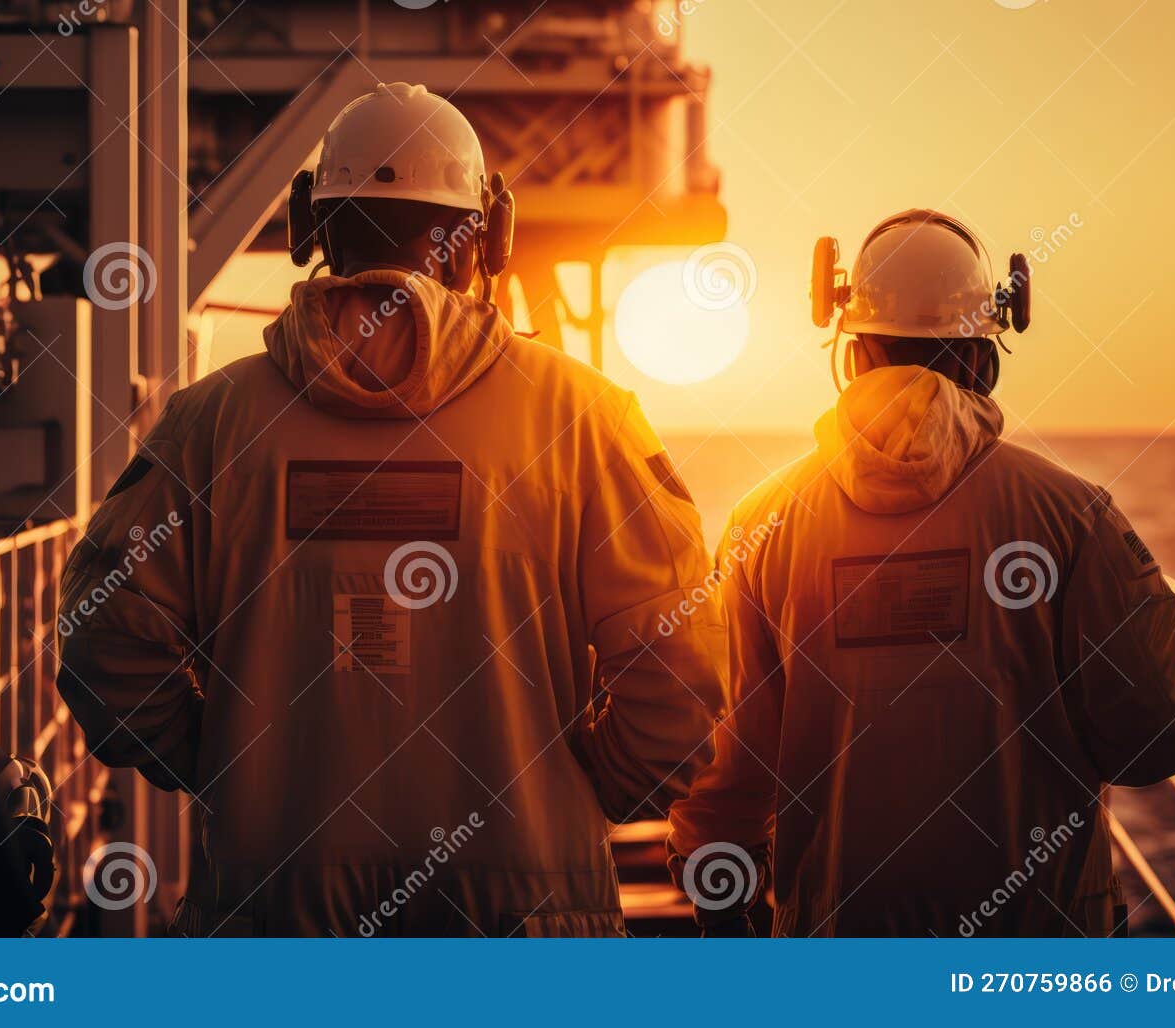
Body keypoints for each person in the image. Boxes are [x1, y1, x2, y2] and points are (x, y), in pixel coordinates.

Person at [57, 82, 725, 936]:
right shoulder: (584, 419)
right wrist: (581, 786)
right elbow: (680, 675)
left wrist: (225, 762)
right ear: (486, 238)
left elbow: (103, 642)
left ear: (311, 226)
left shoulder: (210, 424)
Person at [667, 209, 1175, 937]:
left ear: (852, 356)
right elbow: (1155, 739)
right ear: (984, 360)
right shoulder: (1071, 515)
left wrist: (723, 900)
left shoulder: (763, 523)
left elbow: (727, 761)